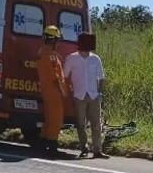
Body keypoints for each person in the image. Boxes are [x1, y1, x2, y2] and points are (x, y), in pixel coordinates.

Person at [66, 32, 108, 158]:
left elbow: (101, 78)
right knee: (80, 124)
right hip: (79, 95)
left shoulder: (95, 59)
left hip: (93, 95)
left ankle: (97, 150)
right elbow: (64, 76)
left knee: (96, 124)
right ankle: (83, 147)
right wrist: (70, 90)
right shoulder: (71, 58)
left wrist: (100, 93)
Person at [34, 24, 68, 155]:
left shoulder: (41, 52)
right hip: (54, 91)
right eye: (57, 39)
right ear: (54, 40)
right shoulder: (51, 56)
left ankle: (43, 144)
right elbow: (56, 77)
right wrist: (63, 91)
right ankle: (52, 147)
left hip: (45, 90)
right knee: (56, 119)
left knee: (48, 119)